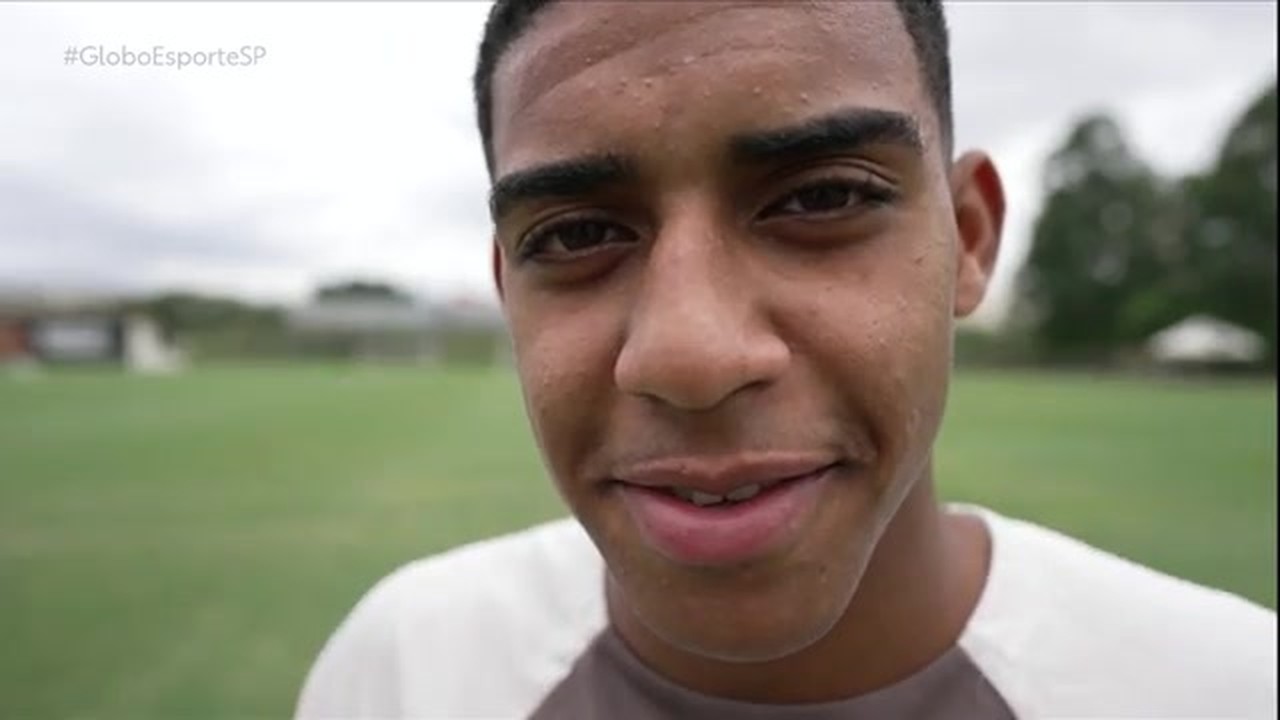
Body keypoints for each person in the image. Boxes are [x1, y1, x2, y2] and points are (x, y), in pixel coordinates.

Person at [295, 2, 1277, 717]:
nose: (690, 355)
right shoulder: (406, 670)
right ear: (510, 292)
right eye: (574, 233)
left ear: (967, 240)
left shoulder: (1226, 688)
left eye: (819, 199)